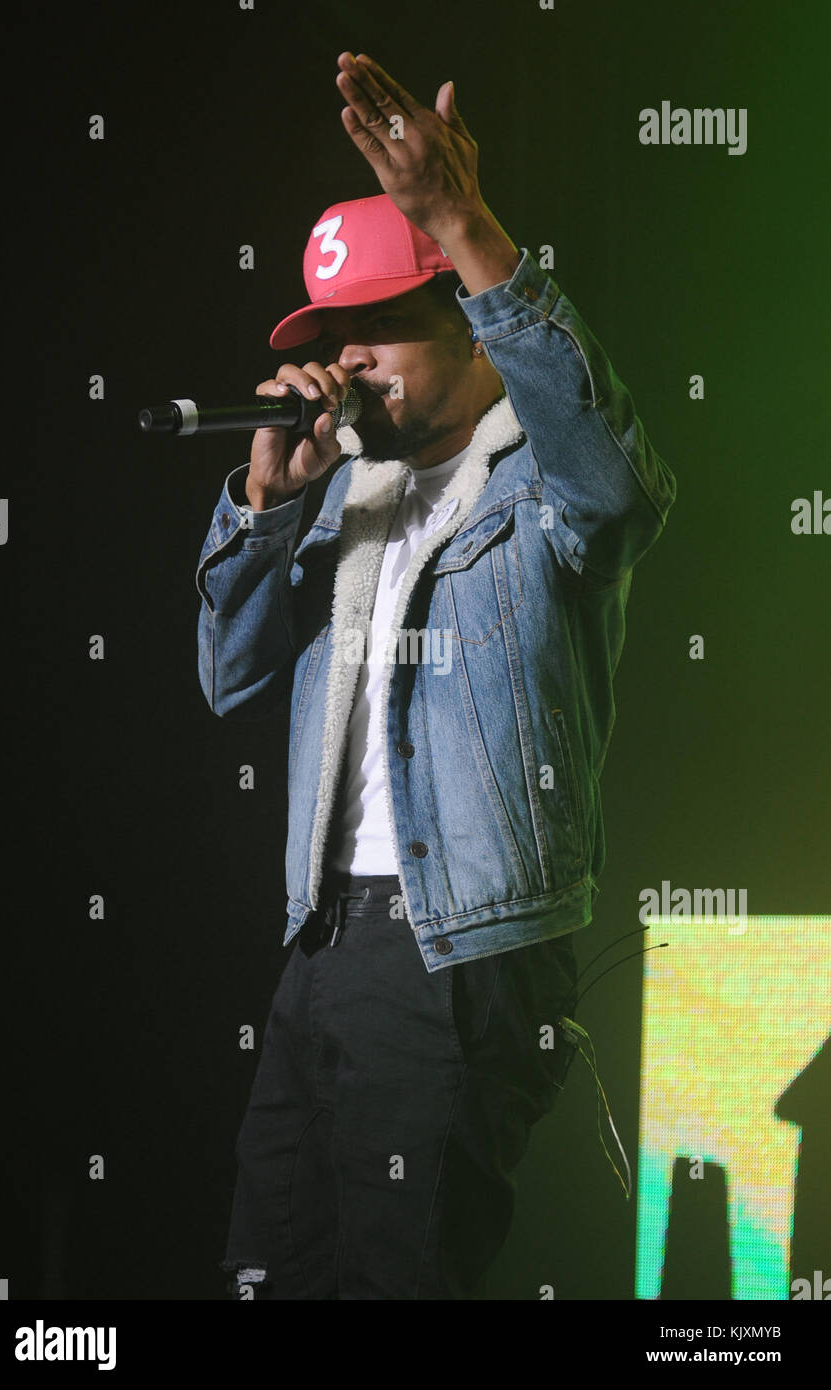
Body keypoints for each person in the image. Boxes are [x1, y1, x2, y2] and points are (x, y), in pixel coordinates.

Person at [195, 51, 676, 1300]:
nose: (349, 362)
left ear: (467, 318)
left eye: (380, 327)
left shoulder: (539, 479)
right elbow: (225, 677)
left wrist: (460, 220)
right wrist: (265, 508)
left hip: (458, 947)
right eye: (330, 337)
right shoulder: (336, 496)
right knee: (268, 1272)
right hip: (320, 942)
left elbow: (620, 492)